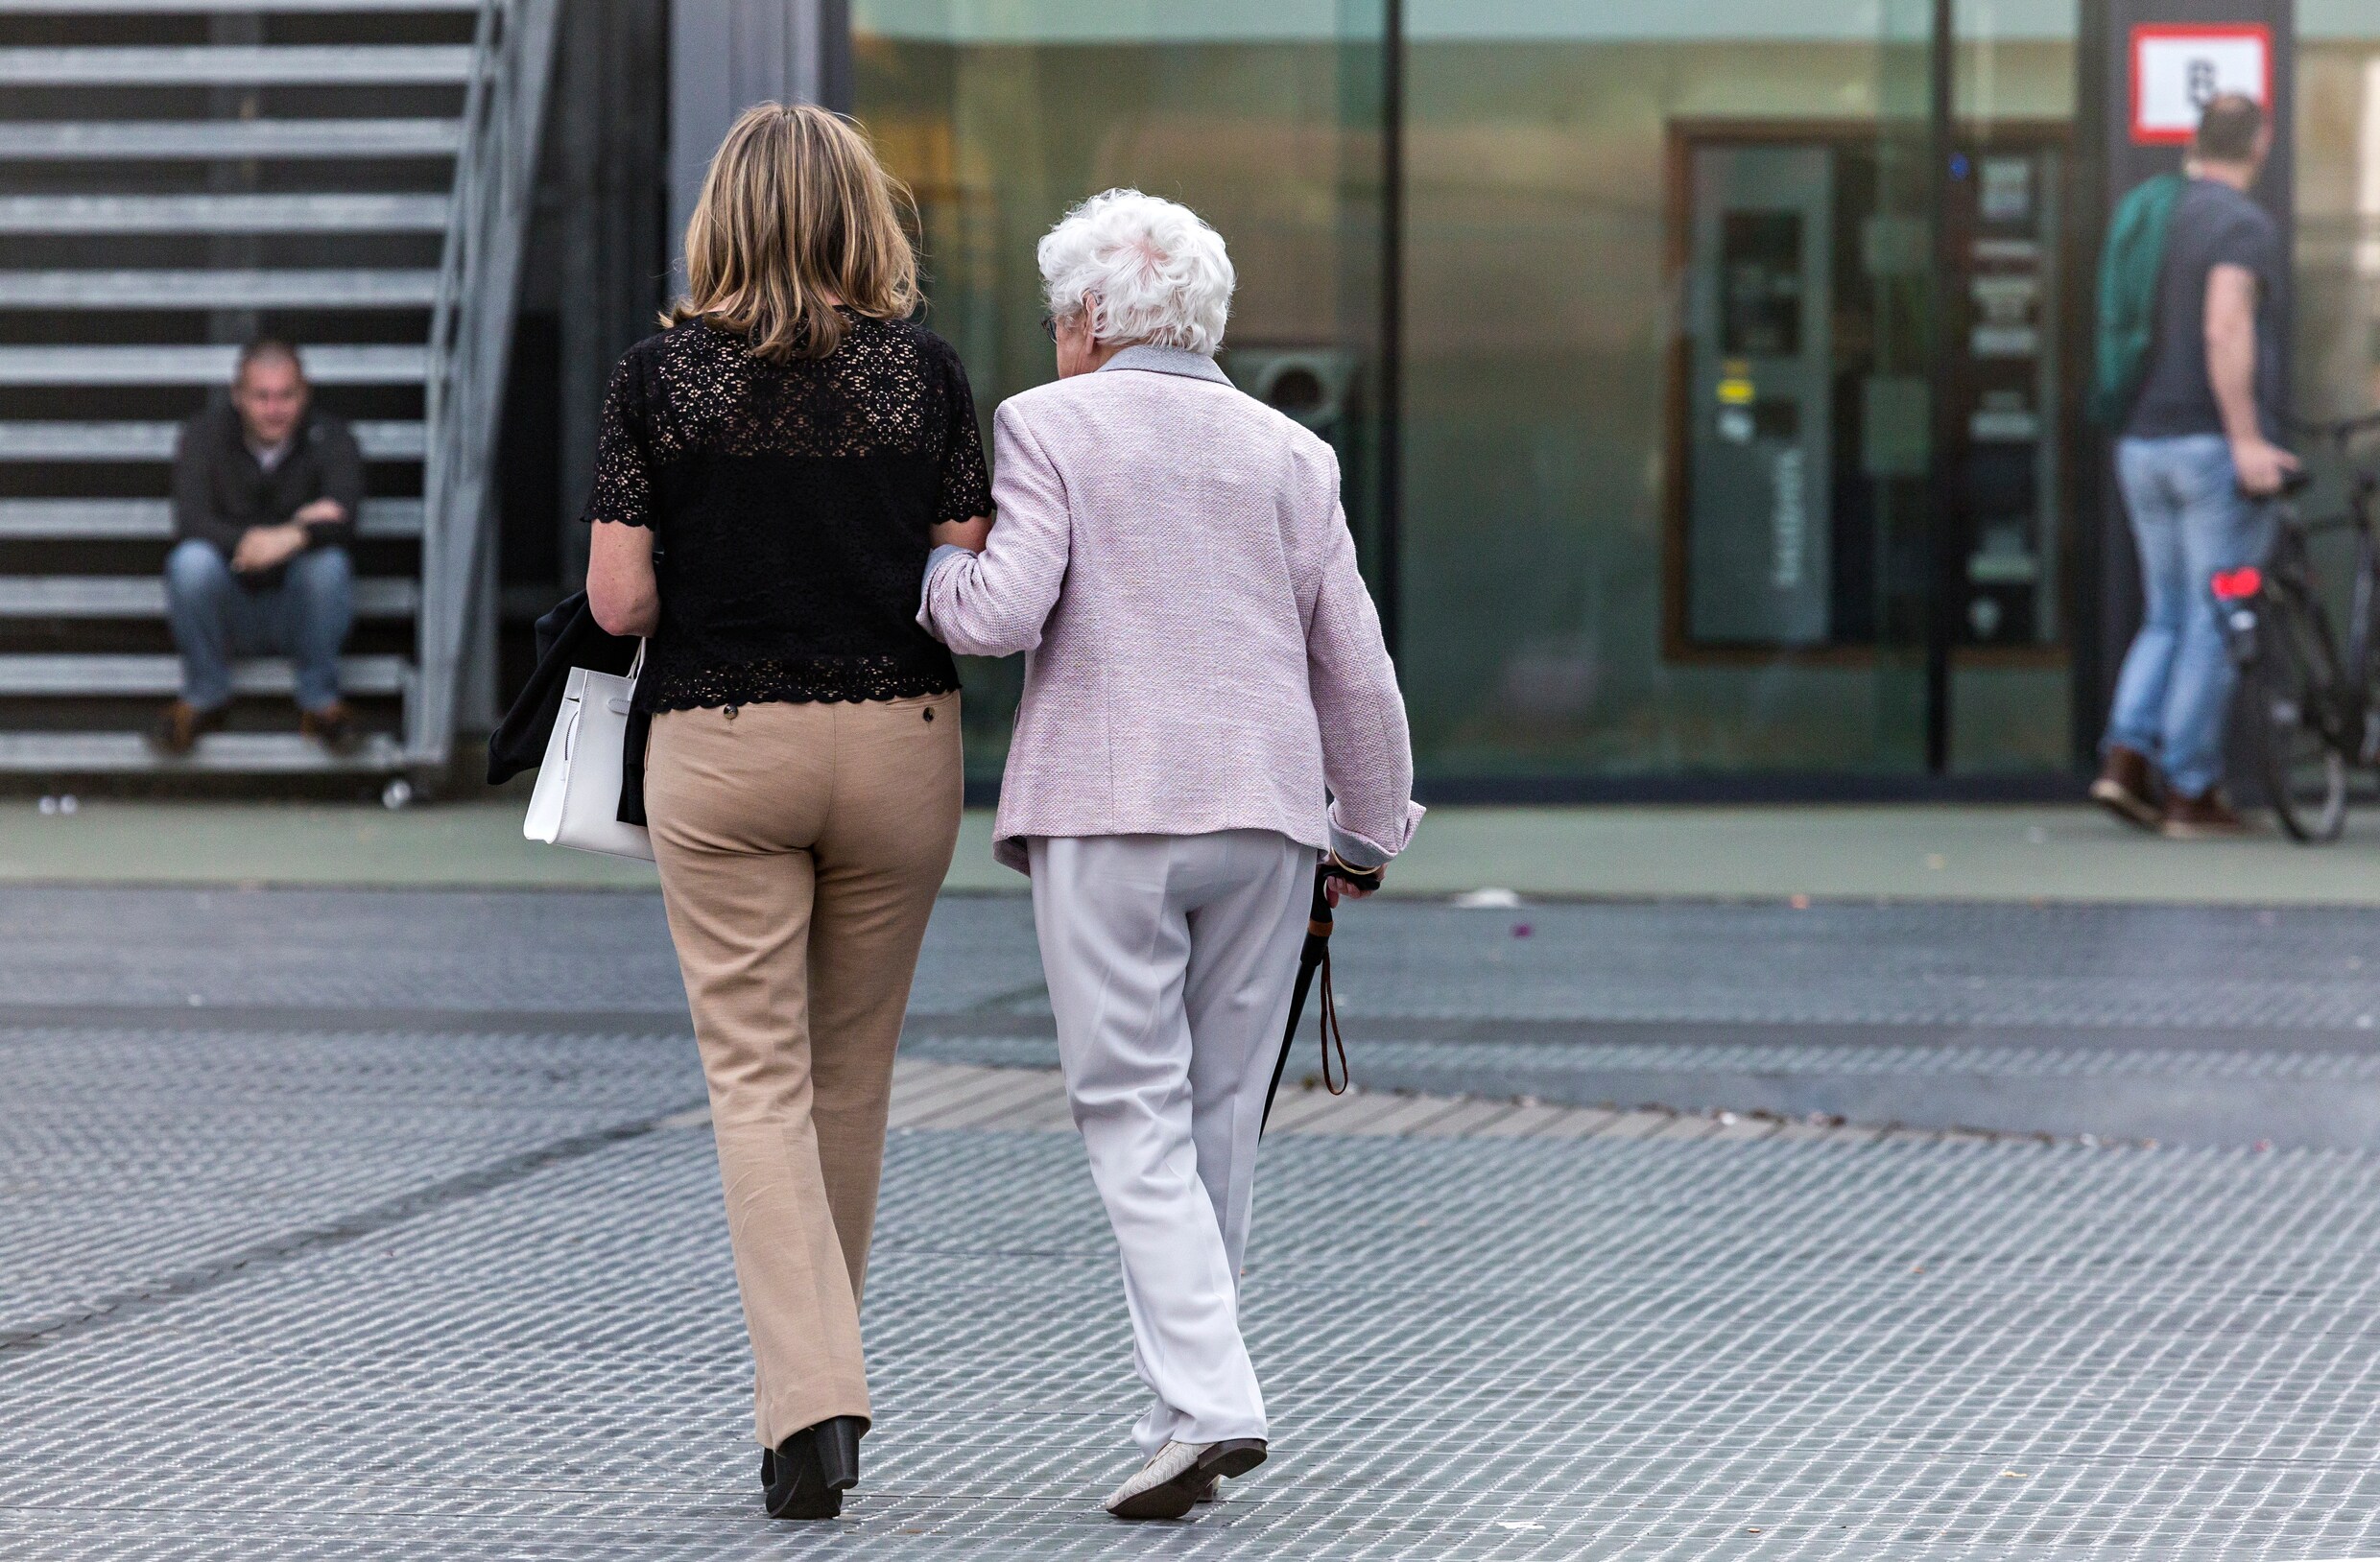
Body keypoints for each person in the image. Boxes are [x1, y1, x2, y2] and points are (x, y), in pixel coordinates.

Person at [917, 188, 1421, 1521]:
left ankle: (1209, 1401)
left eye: (1055, 314)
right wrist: (1365, 831)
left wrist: (930, 571)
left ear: (1088, 317)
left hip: (1109, 810)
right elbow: (1357, 671)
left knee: (1130, 1110)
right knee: (1217, 1126)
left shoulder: (1045, 424)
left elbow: (1000, 612)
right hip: (1266, 818)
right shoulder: (1290, 454)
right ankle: (1177, 1414)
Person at [581, 103, 987, 1522]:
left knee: (756, 1080)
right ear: (860, 216)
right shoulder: (925, 377)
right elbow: (967, 576)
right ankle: (813, 1399)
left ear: (726, 217)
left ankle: (812, 1405)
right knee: (852, 1079)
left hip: (725, 746)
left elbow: (619, 601)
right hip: (898, 748)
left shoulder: (658, 378)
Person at [2091, 93, 2294, 838]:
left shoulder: (2156, 212)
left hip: (2140, 444)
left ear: (2195, 140)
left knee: (2168, 614)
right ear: (2261, 143)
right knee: (2215, 614)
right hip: (2207, 449)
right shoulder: (2239, 223)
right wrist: (2246, 437)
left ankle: (2124, 759)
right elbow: (2225, 325)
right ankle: (2190, 790)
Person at [153, 339, 362, 755]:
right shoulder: (204, 434)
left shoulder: (331, 437)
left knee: (329, 566)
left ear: (305, 393)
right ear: (238, 395)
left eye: (286, 395)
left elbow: (346, 515)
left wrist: (293, 536)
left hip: (298, 608)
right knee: (190, 564)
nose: (274, 409)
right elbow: (191, 520)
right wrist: (263, 538)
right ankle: (205, 695)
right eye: (261, 396)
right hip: (229, 605)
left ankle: (321, 703)